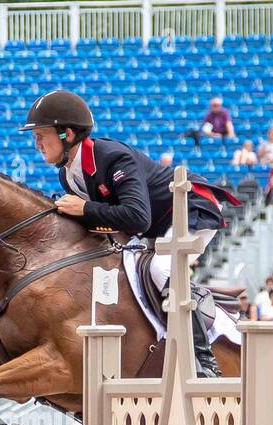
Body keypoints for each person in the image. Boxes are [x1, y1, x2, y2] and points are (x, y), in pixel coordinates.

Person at [20, 89, 239, 377]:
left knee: (161, 268)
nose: (36, 143)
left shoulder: (111, 157)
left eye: (41, 135)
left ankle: (204, 361)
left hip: (190, 208)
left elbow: (137, 217)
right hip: (155, 226)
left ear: (67, 134)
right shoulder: (68, 175)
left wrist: (85, 208)